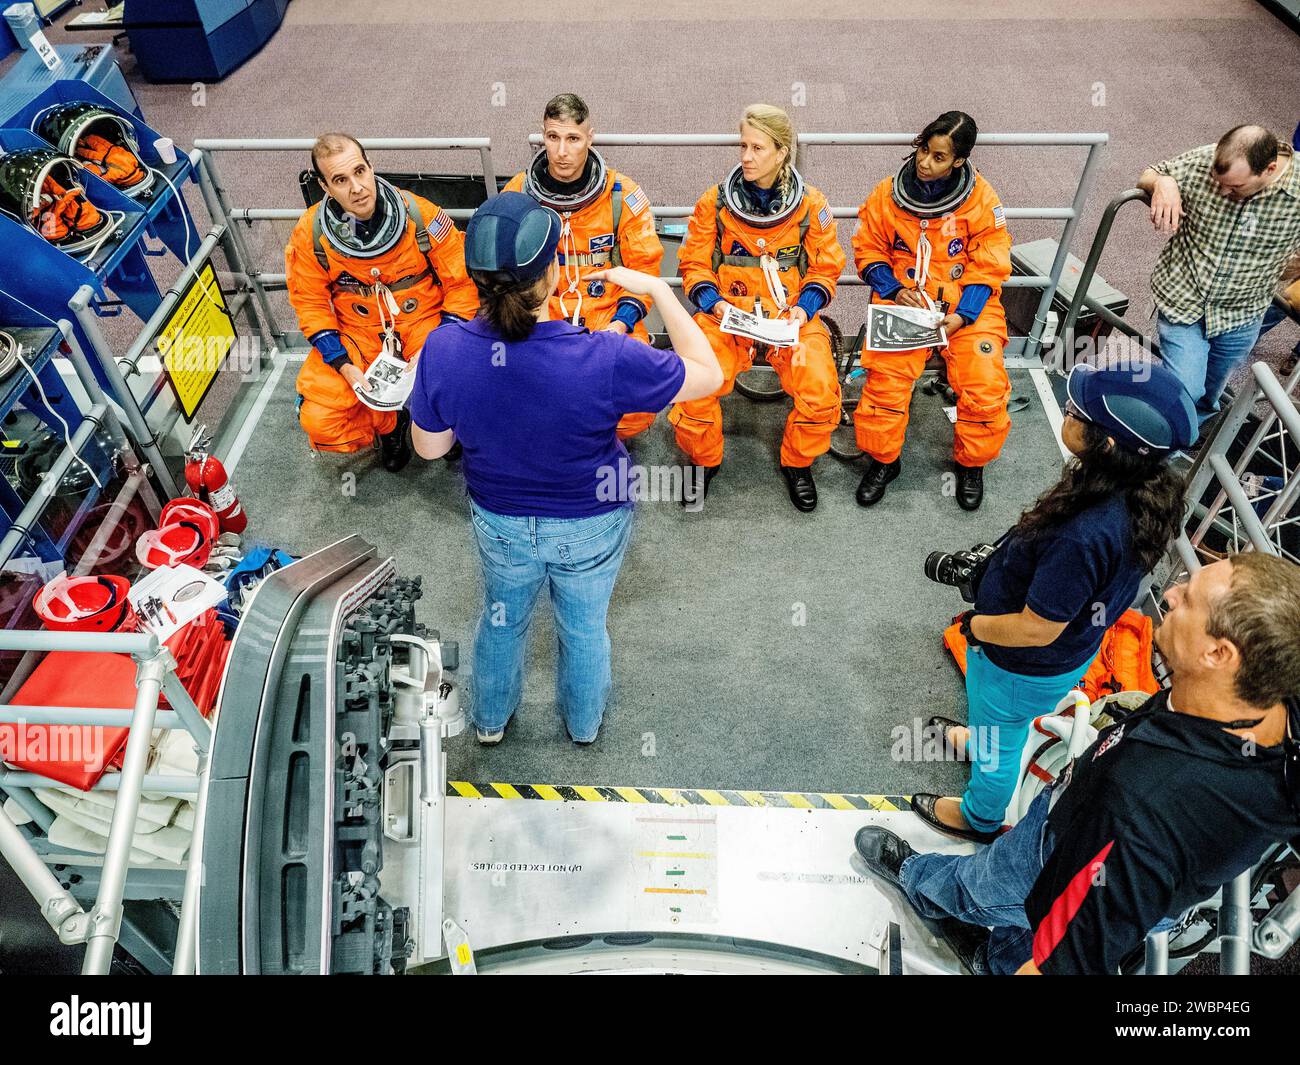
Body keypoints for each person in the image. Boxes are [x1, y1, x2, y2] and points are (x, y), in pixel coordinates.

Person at [854, 550, 1300, 975]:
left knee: (977, 886)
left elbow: (1065, 965)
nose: (1170, 594)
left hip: (1061, 856)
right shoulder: (1278, 709)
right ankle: (991, 962)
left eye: (1189, 598)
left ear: (1218, 654)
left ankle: (921, 883)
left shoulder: (1142, 809)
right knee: (1026, 939)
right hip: (1110, 859)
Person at [407, 193, 721, 746]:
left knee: (501, 621)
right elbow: (708, 374)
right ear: (553, 272)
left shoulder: (441, 349)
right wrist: (657, 290)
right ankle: (582, 726)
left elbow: (431, 450)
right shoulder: (604, 355)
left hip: (499, 518)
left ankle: (488, 722)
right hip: (591, 516)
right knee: (583, 628)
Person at [915, 361, 1196, 845]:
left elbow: (1035, 629)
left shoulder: (1084, 535)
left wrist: (976, 628)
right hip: (1067, 654)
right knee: (1005, 724)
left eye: (1075, 410)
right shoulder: (1145, 488)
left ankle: (980, 815)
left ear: (1106, 444)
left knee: (999, 737)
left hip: (1021, 661)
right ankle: (991, 740)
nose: (1068, 411)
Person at [670, 104, 846, 512]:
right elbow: (694, 265)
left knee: (819, 389)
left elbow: (826, 267)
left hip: (790, 319)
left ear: (783, 152)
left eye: (757, 148)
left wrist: (805, 308)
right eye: (743, 146)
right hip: (728, 317)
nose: (745, 157)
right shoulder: (714, 204)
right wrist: (713, 306)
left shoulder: (809, 206)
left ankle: (797, 461)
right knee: (694, 385)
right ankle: (703, 460)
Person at [285, 133, 478, 468]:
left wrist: (439, 342)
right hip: (359, 334)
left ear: (371, 166)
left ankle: (445, 428)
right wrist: (342, 364)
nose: (357, 188)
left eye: (360, 172)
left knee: (464, 375)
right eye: (341, 180)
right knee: (320, 421)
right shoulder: (310, 233)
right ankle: (390, 425)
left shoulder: (420, 214)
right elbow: (310, 302)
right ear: (325, 187)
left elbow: (462, 284)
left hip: (423, 324)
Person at [851, 111, 1012, 511]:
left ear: (958, 161)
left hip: (967, 307)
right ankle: (885, 461)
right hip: (905, 300)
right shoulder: (886, 196)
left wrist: (966, 314)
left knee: (984, 386)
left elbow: (990, 262)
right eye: (924, 150)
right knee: (884, 386)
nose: (925, 162)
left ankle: (970, 463)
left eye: (939, 157)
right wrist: (892, 288)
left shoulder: (981, 200)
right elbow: (867, 248)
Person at [505, 93, 665, 441]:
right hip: (541, 318)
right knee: (520, 394)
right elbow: (502, 271)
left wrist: (621, 324)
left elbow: (645, 271)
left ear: (589, 138)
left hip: (606, 318)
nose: (562, 152)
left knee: (638, 404)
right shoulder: (518, 194)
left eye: (573, 139)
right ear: (543, 135)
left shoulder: (622, 195)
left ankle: (595, 442)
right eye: (553, 137)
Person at [1139, 125, 1300, 429]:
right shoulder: (1204, 160)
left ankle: (1182, 439)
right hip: (1184, 302)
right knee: (1182, 388)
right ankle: (1156, 455)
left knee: (1207, 395)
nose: (1224, 192)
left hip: (1241, 317)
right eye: (1218, 182)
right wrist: (1164, 182)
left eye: (1235, 187)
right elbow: (1150, 173)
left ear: (1270, 169)